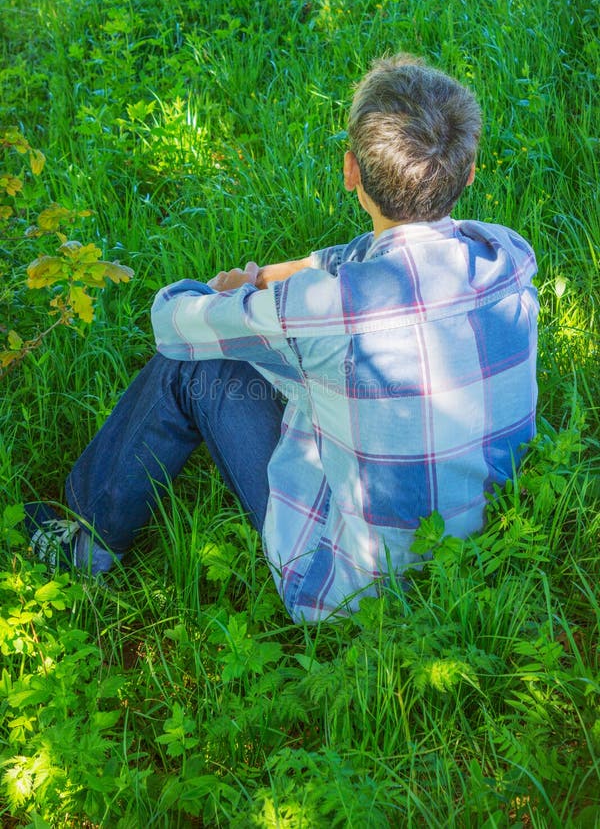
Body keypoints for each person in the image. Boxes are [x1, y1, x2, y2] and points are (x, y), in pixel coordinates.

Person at [25, 53, 539, 623]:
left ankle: (85, 542)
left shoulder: (323, 311)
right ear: (469, 173)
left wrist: (223, 293)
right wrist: (271, 275)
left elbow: (172, 323)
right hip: (479, 553)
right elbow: (368, 258)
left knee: (196, 364)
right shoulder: (507, 255)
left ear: (351, 171)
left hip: (348, 592)